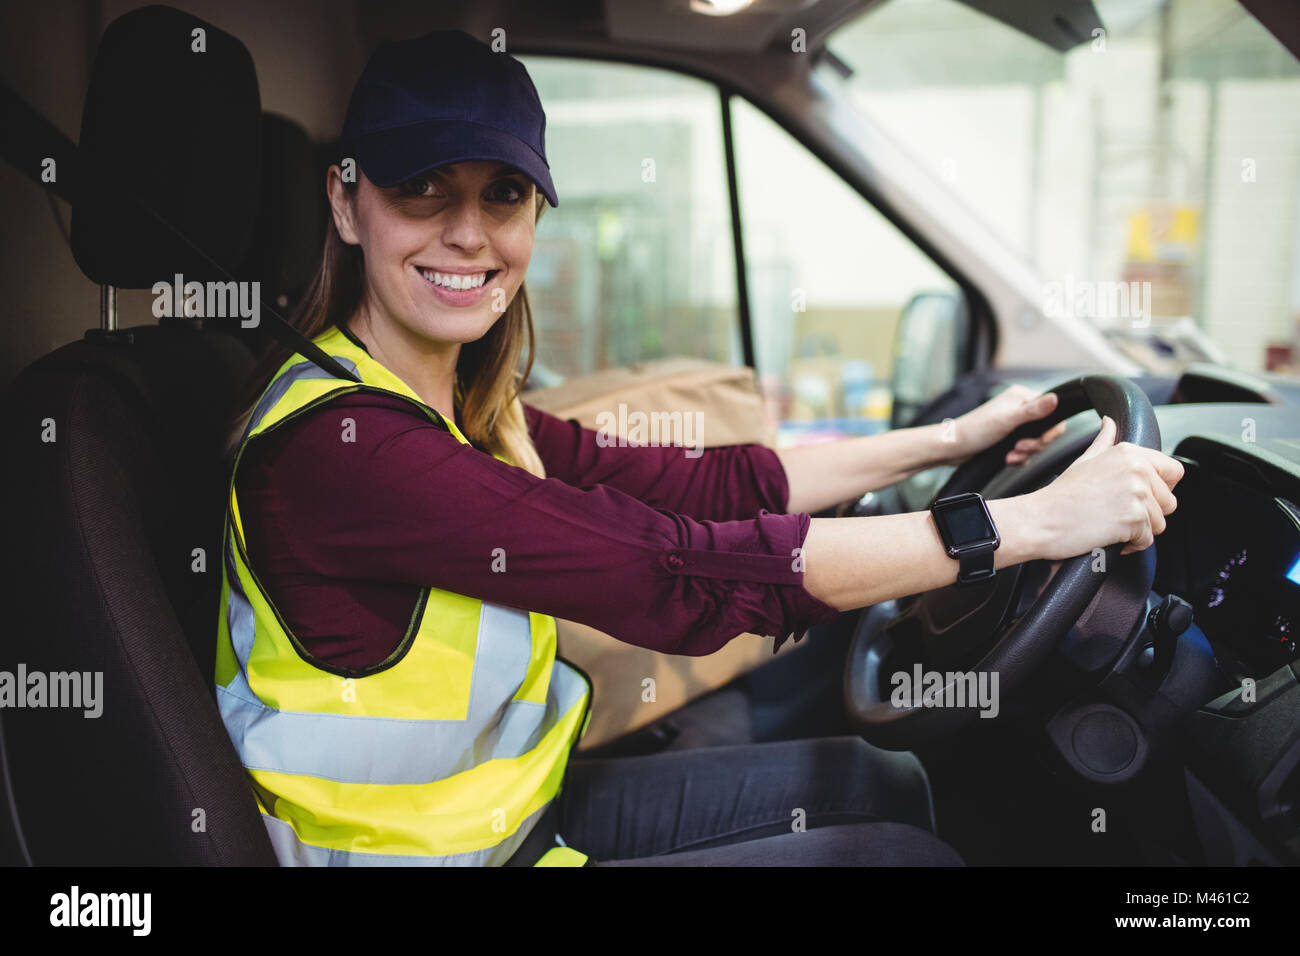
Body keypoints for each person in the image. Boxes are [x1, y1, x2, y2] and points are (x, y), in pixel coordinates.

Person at [216, 29, 1184, 866]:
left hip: (509, 816)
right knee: (894, 856)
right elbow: (672, 571)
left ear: (534, 216)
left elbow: (708, 485)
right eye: (420, 188)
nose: (467, 232)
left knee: (875, 777)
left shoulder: (468, 403)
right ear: (348, 205)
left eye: (502, 193)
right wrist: (1029, 521)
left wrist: (955, 438)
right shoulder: (347, 450)